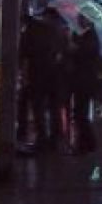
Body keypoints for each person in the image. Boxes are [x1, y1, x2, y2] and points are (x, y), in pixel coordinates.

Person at [21, 8, 67, 152]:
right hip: (56, 76)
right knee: (55, 107)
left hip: (37, 74)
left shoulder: (32, 30)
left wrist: (24, 73)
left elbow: (23, 53)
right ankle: (56, 139)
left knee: (38, 107)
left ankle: (42, 139)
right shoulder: (59, 31)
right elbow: (64, 53)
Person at [66, 15, 102, 153]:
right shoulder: (83, 36)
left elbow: (85, 53)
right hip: (82, 80)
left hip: (85, 81)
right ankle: (86, 143)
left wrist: (75, 48)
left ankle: (87, 143)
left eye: (83, 19)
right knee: (80, 113)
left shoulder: (91, 37)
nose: (80, 21)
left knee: (81, 113)